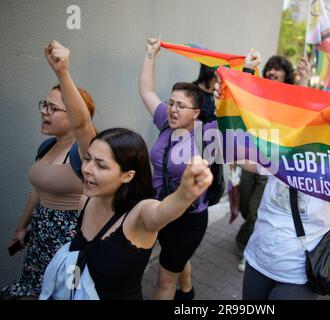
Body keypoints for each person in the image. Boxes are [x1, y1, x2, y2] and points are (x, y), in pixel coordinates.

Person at [213, 57, 330, 300]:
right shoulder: (284, 149)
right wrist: (223, 108)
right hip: (258, 259)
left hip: (299, 274)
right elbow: (236, 155)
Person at [39, 128, 212, 300]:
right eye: (87, 158)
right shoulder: (85, 201)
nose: (87, 169)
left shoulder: (139, 214)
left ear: (127, 176)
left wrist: (185, 193)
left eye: (101, 165)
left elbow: (160, 213)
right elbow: (80, 258)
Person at [0, 41, 96, 300]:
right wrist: (21, 228)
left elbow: (84, 123)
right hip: (39, 237)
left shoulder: (85, 152)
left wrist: (62, 72)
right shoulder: (46, 146)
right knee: (33, 290)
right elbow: (38, 191)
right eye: (45, 104)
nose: (44, 111)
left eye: (54, 108)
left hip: (67, 242)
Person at [139, 36, 218, 300]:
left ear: (196, 112)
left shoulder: (207, 135)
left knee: (163, 278)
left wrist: (247, 74)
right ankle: (188, 290)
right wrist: (151, 54)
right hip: (160, 208)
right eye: (171, 102)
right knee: (174, 259)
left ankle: (182, 291)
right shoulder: (165, 120)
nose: (172, 109)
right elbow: (147, 92)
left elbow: (237, 121)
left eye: (180, 106)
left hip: (189, 219)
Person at [235, 55, 311, 273]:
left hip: (274, 164)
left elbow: (302, 103)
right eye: (269, 69)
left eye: (277, 69)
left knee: (255, 209)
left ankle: (246, 252)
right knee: (245, 204)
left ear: (286, 74)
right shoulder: (259, 92)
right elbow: (242, 103)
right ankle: (244, 234)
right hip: (252, 158)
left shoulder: (289, 96)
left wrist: (304, 78)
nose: (271, 72)